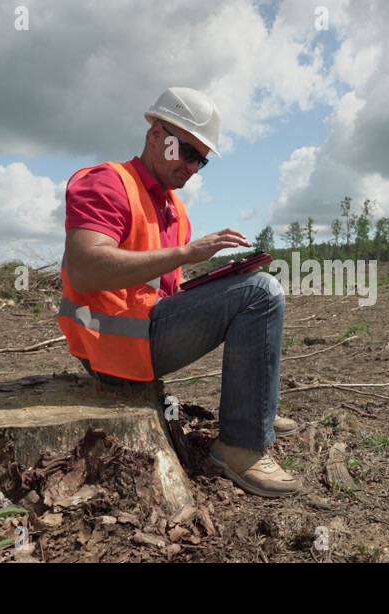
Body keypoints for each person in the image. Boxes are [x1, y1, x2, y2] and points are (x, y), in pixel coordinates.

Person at [59, 87, 301, 498]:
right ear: (156, 134)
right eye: (186, 151)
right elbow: (85, 271)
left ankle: (255, 410)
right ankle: (240, 447)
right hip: (109, 349)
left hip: (140, 337)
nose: (192, 167)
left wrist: (215, 284)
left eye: (200, 160)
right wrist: (187, 253)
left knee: (254, 288)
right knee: (260, 292)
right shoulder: (107, 183)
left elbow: (158, 294)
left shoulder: (175, 211)